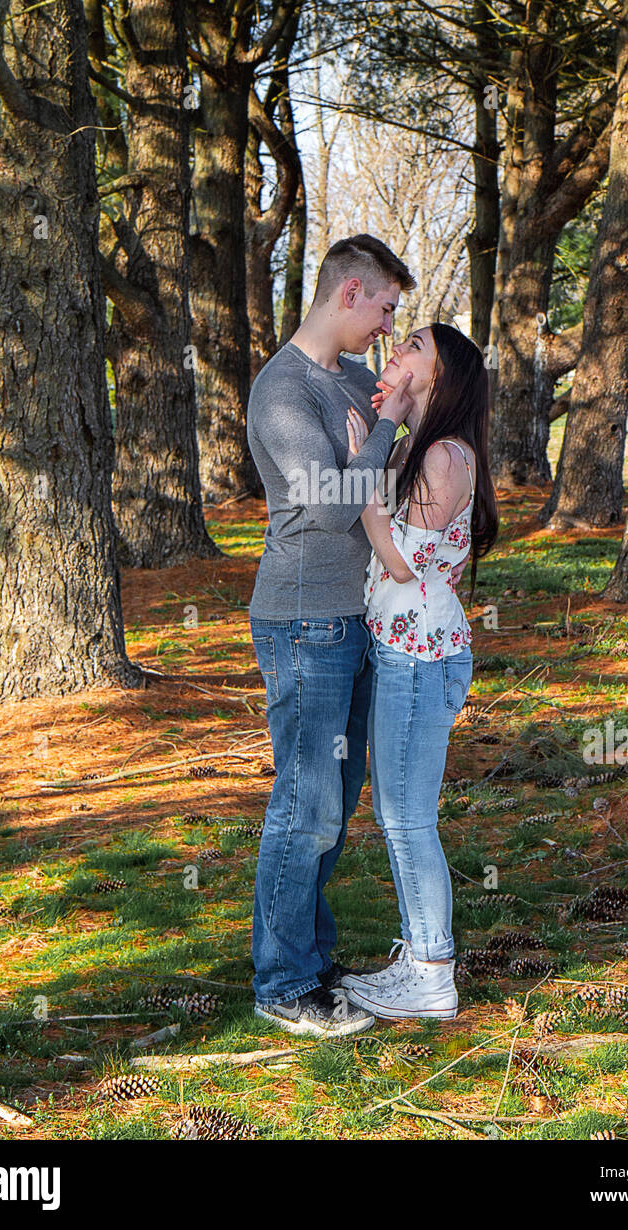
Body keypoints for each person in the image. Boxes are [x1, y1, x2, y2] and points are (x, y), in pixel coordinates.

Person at [246, 234, 419, 1036]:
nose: (388, 326)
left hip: (357, 615)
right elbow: (325, 502)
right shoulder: (284, 390)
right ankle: (282, 985)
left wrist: (388, 428)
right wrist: (382, 432)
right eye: (385, 306)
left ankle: (312, 962)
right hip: (305, 619)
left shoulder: (352, 379)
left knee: (334, 804)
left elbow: (375, 481)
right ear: (349, 293)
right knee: (305, 803)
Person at [338, 322, 498, 1020]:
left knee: (406, 820)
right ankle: (418, 955)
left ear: (442, 376)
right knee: (399, 814)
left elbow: (400, 558)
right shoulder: (429, 447)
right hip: (409, 647)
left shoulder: (443, 456)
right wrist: (389, 426)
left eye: (413, 349)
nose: (396, 353)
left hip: (419, 655)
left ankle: (432, 972)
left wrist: (364, 463)